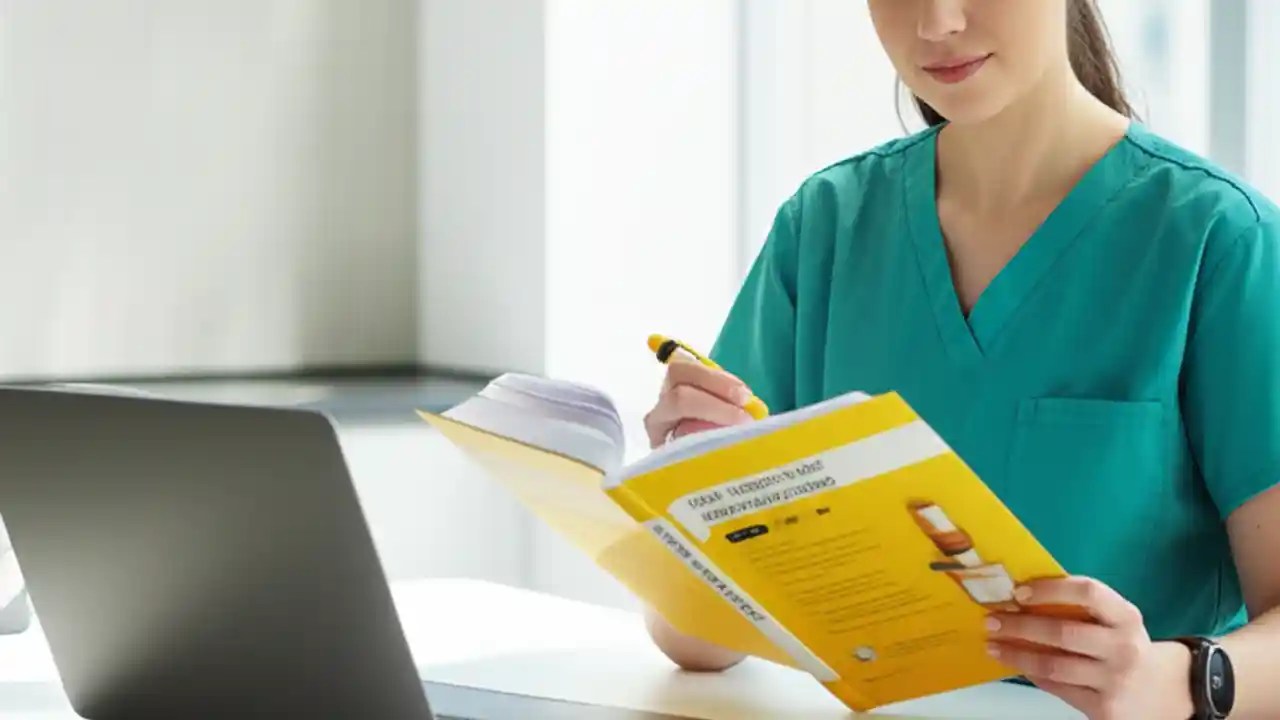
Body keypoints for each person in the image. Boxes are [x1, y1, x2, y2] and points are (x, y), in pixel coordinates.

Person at [642, 1, 1280, 718]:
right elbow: (698, 641)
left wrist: (1175, 679)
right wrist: (694, 481)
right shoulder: (824, 226)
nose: (937, 22)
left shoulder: (1218, 242)